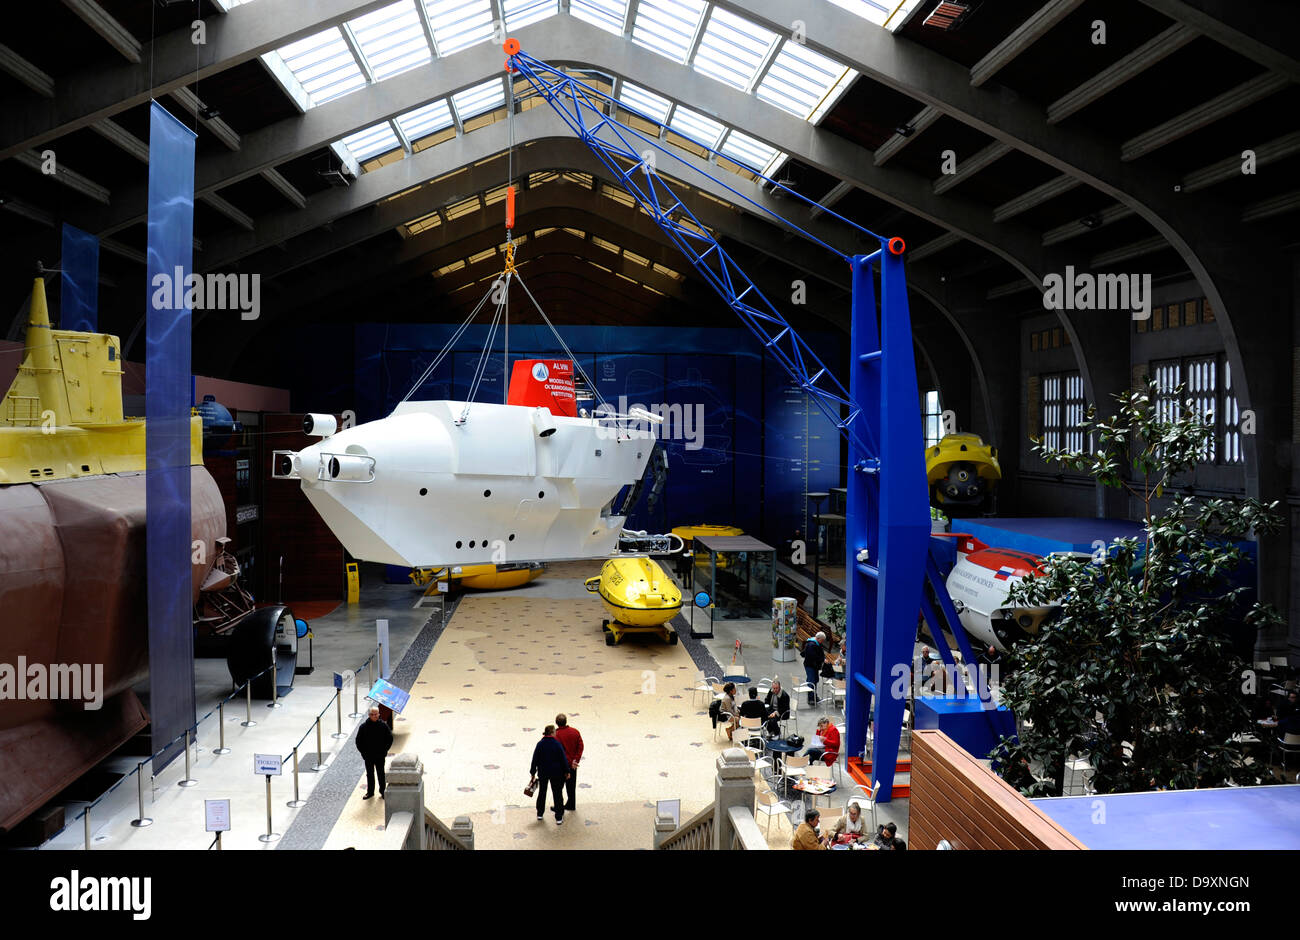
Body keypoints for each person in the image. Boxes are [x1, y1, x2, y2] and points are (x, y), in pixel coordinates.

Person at [529, 725, 572, 825]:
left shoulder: (540, 744)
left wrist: (532, 772)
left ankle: (540, 813)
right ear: (552, 733)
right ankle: (558, 817)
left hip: (543, 772)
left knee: (542, 792)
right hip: (556, 773)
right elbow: (563, 759)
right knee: (557, 794)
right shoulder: (557, 744)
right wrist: (567, 771)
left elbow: (534, 759)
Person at [356, 706, 393, 800]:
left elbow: (389, 739)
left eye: (376, 714)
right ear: (369, 715)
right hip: (368, 756)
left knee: (381, 773)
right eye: (372, 714)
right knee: (370, 774)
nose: (375, 716)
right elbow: (358, 741)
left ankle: (383, 791)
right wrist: (363, 753)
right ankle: (370, 792)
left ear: (379, 714)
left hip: (380, 755)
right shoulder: (363, 727)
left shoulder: (383, 726)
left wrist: (385, 750)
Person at [554, 713, 584, 813]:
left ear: (556, 723)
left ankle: (559, 806)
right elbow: (580, 746)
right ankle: (571, 804)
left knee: (558, 787)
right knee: (571, 786)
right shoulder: (575, 732)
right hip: (572, 765)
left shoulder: (556, 735)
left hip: (560, 766)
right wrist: (576, 760)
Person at [802, 632, 826, 706]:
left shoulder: (815, 643)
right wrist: (822, 659)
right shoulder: (811, 645)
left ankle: (814, 696)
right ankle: (811, 698)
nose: (822, 642)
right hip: (810, 666)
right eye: (822, 640)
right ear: (818, 638)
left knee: (815, 680)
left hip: (814, 666)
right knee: (811, 681)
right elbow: (813, 656)